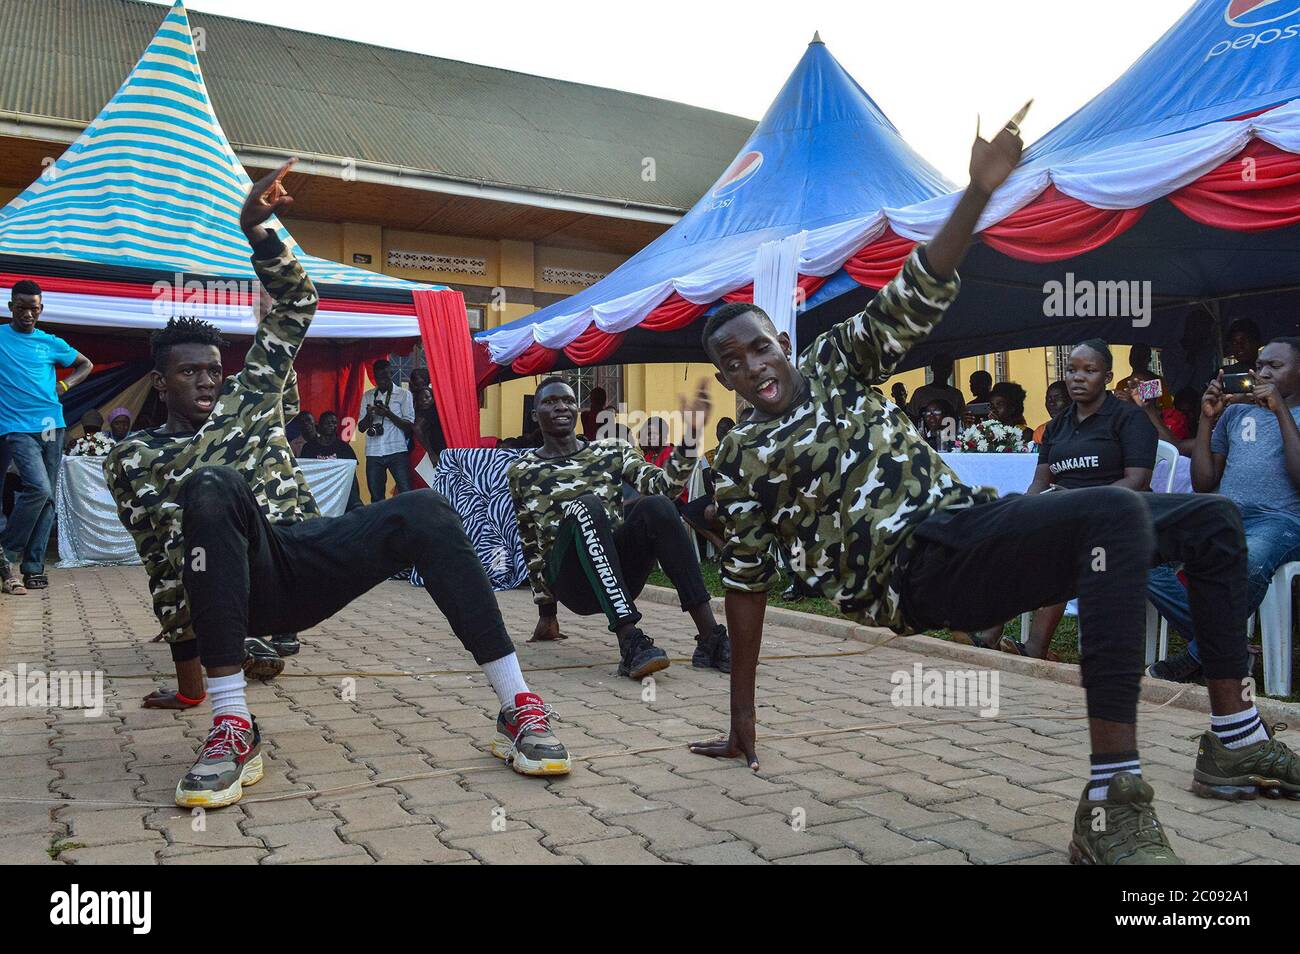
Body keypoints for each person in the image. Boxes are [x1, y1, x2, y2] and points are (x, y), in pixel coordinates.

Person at [689, 111, 1296, 865]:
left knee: (1213, 520)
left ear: (780, 342)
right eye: (735, 363)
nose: (755, 367)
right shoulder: (743, 455)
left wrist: (976, 193)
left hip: (972, 527)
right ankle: (1112, 805)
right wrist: (742, 714)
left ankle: (1235, 740)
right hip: (912, 573)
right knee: (1109, 513)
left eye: (759, 347)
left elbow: (915, 289)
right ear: (725, 378)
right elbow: (744, 584)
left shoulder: (837, 365)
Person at [104, 163, 569, 807]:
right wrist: (191, 682)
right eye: (189, 374)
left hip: (304, 557)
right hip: (235, 585)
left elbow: (298, 304)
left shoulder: (251, 394)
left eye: (213, 370)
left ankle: (518, 704)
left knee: (425, 509)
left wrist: (258, 230)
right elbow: (164, 564)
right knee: (211, 485)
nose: (207, 383)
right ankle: (232, 726)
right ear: (161, 384)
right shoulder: (133, 458)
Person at [507, 376, 731, 676]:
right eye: (549, 401)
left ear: (577, 409)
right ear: (535, 415)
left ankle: (710, 639)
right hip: (572, 581)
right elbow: (530, 542)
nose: (560, 406)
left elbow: (663, 488)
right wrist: (547, 612)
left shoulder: (612, 451)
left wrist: (690, 438)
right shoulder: (523, 471)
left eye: (568, 400)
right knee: (586, 505)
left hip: (617, 571)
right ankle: (630, 643)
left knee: (657, 505)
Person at [1146, 338, 1300, 684]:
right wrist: (1206, 419)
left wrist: (1280, 411)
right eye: (1260, 366)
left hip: (1282, 521)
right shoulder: (1236, 412)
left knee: (1246, 559)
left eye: (1275, 366)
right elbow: (1203, 481)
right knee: (1142, 552)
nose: (1263, 372)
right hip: (1223, 515)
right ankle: (1226, 648)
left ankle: (1199, 655)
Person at [1010, 341, 1156, 659]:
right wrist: (1020, 510)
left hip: (1116, 513)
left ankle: (1034, 649)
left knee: (1064, 547)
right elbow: (1040, 480)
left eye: (1089, 371)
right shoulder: (1057, 426)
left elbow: (1137, 480)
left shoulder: (1129, 419)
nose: (1078, 377)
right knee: (1008, 536)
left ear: (1107, 376)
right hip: (1064, 513)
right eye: (1072, 369)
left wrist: (1081, 502)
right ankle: (986, 639)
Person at [1, 279, 94, 594]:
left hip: (51, 424)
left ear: (41, 309)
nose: (28, 314)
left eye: (34, 309)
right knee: (38, 488)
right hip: (16, 426)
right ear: (11, 307)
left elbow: (85, 364)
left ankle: (33, 568)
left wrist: (65, 386)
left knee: (49, 498)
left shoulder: (49, 341)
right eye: (22, 307)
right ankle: (8, 552)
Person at [358, 358, 415, 501]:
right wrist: (370, 415)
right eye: (378, 377)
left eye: (385, 376)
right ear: (374, 377)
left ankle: (406, 523)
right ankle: (381, 523)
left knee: (406, 492)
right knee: (376, 496)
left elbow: (408, 425)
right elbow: (361, 428)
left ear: (391, 374)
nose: (382, 380)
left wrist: (388, 414)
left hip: (397, 450)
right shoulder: (368, 396)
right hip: (373, 452)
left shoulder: (404, 394)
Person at [300, 409, 362, 512]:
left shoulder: (344, 448)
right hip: (317, 491)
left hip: (340, 491)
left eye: (334, 423)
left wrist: (356, 497)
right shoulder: (309, 447)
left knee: (358, 509)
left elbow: (352, 477)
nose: (331, 425)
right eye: (327, 422)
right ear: (319, 425)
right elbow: (304, 474)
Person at [906, 352, 965, 424]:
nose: (945, 370)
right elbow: (912, 419)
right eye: (941, 366)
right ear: (932, 367)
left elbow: (962, 419)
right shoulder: (920, 393)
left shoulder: (956, 394)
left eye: (948, 367)